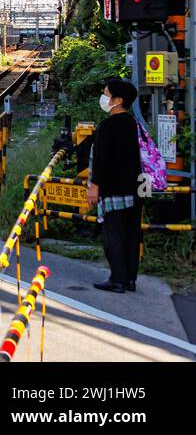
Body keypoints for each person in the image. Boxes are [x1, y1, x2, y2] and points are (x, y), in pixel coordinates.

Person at [86, 78, 143, 293]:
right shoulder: (131, 123)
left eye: (106, 94)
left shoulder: (108, 125)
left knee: (114, 237)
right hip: (133, 189)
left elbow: (101, 159)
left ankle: (117, 280)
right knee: (131, 236)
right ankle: (129, 279)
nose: (104, 98)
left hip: (113, 191)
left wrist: (94, 186)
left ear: (118, 100)